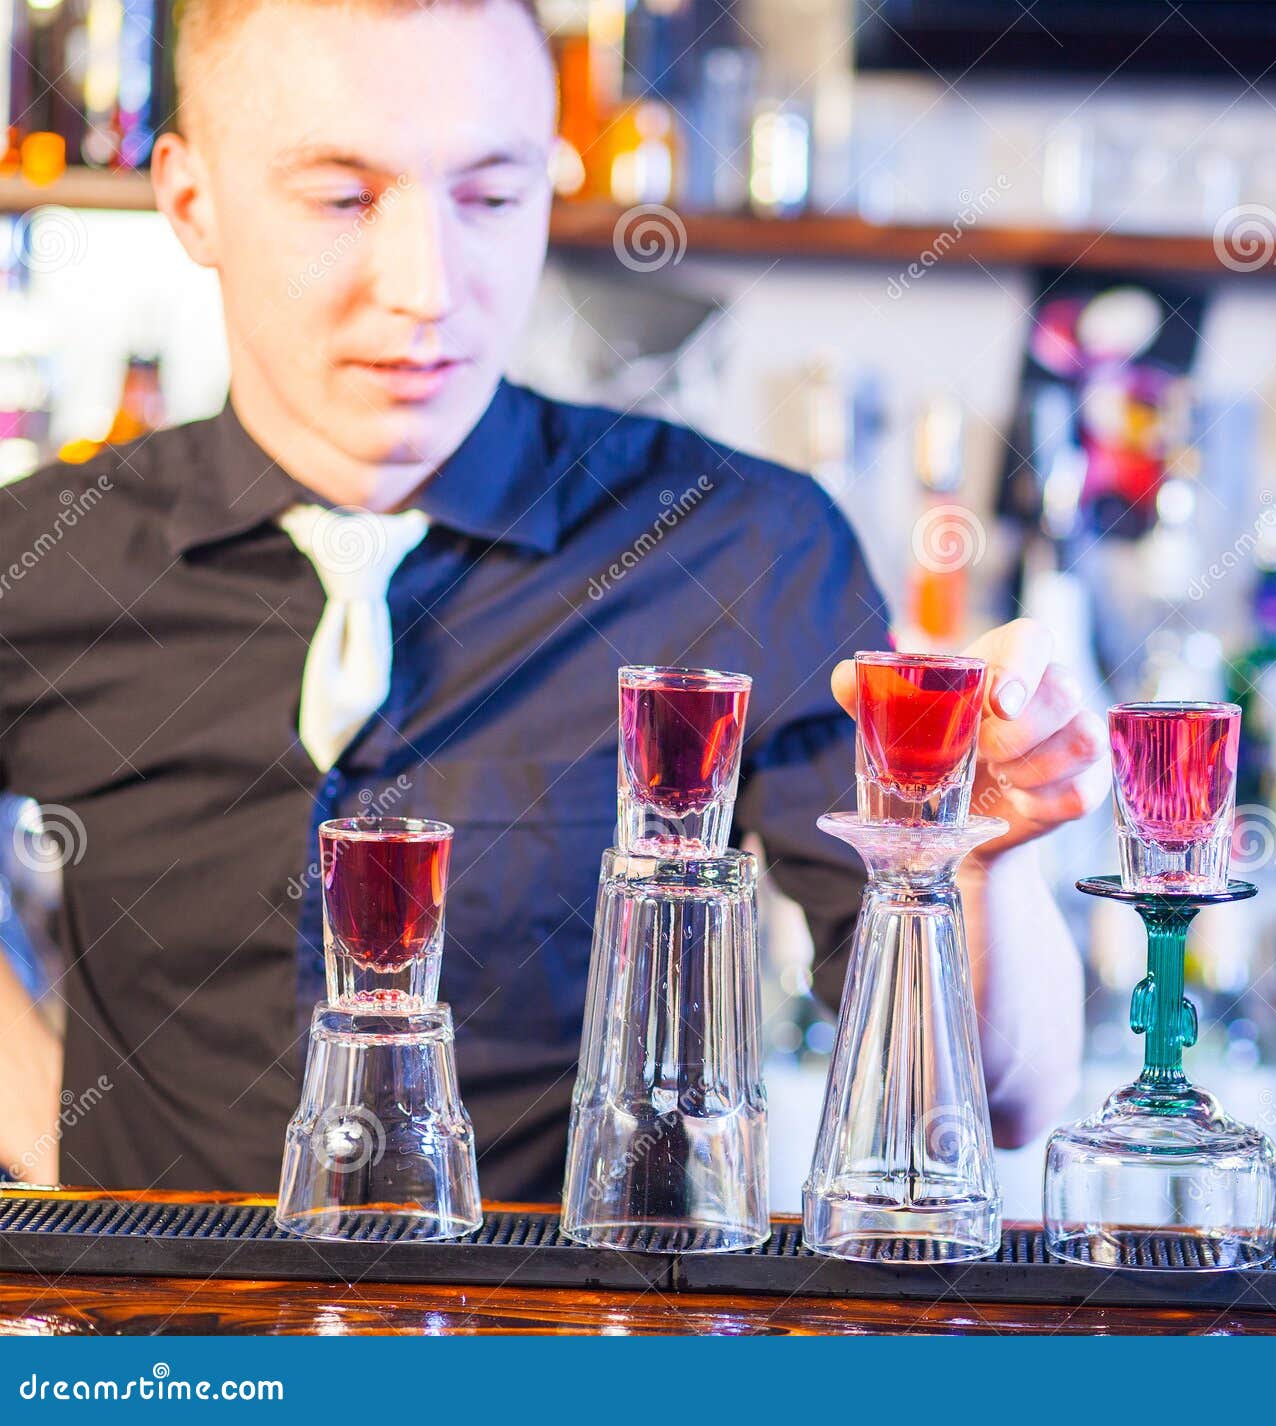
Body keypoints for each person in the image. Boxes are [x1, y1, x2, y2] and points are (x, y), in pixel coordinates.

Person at [0, 0, 1108, 1197]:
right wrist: (52, 1133)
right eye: (341, 199)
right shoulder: (46, 560)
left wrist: (975, 858)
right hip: (159, 1358)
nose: (427, 287)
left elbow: (994, 1102)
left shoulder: (739, 545)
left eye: (490, 197)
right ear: (191, 201)